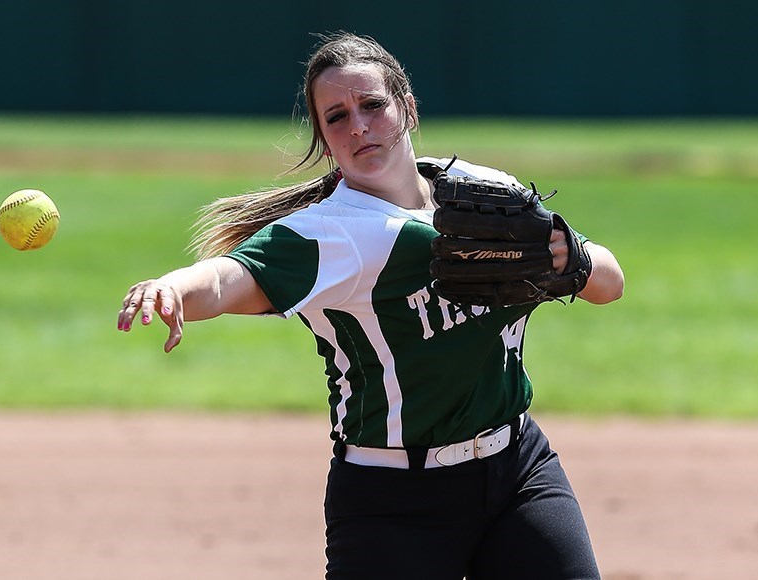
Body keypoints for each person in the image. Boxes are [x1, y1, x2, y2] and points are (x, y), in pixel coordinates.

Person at [117, 32, 624, 580]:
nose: (358, 125)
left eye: (372, 105)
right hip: (395, 502)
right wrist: (172, 286)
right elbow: (226, 280)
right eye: (336, 117)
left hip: (519, 470)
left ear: (406, 108)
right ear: (324, 140)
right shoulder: (329, 236)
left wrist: (570, 261)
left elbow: (609, 283)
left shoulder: (485, 196)